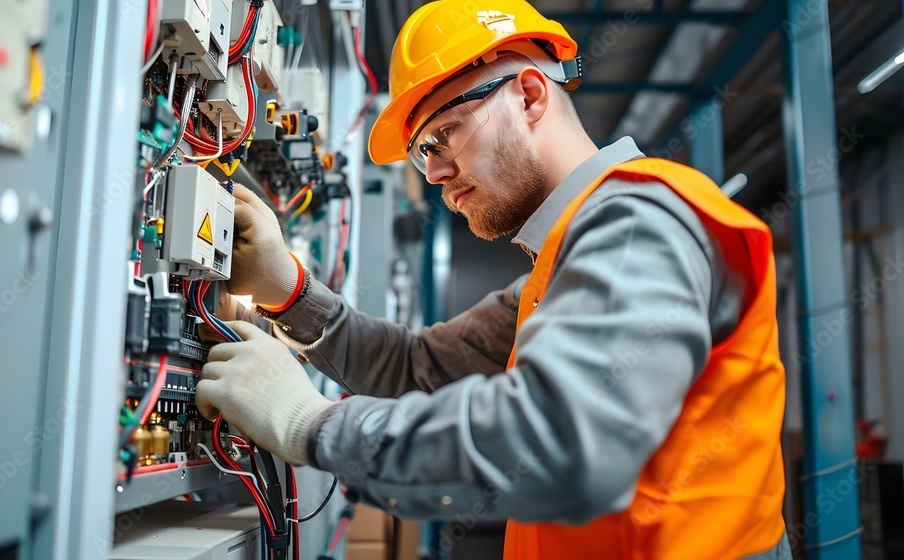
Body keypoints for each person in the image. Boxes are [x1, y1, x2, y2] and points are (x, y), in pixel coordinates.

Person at [195, 1, 791, 558]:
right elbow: (418, 370)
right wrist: (290, 292)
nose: (432, 173)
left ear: (530, 95)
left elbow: (563, 445)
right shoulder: (566, 260)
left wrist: (311, 424)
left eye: (443, 136)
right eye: (420, 153)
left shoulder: (638, 223)